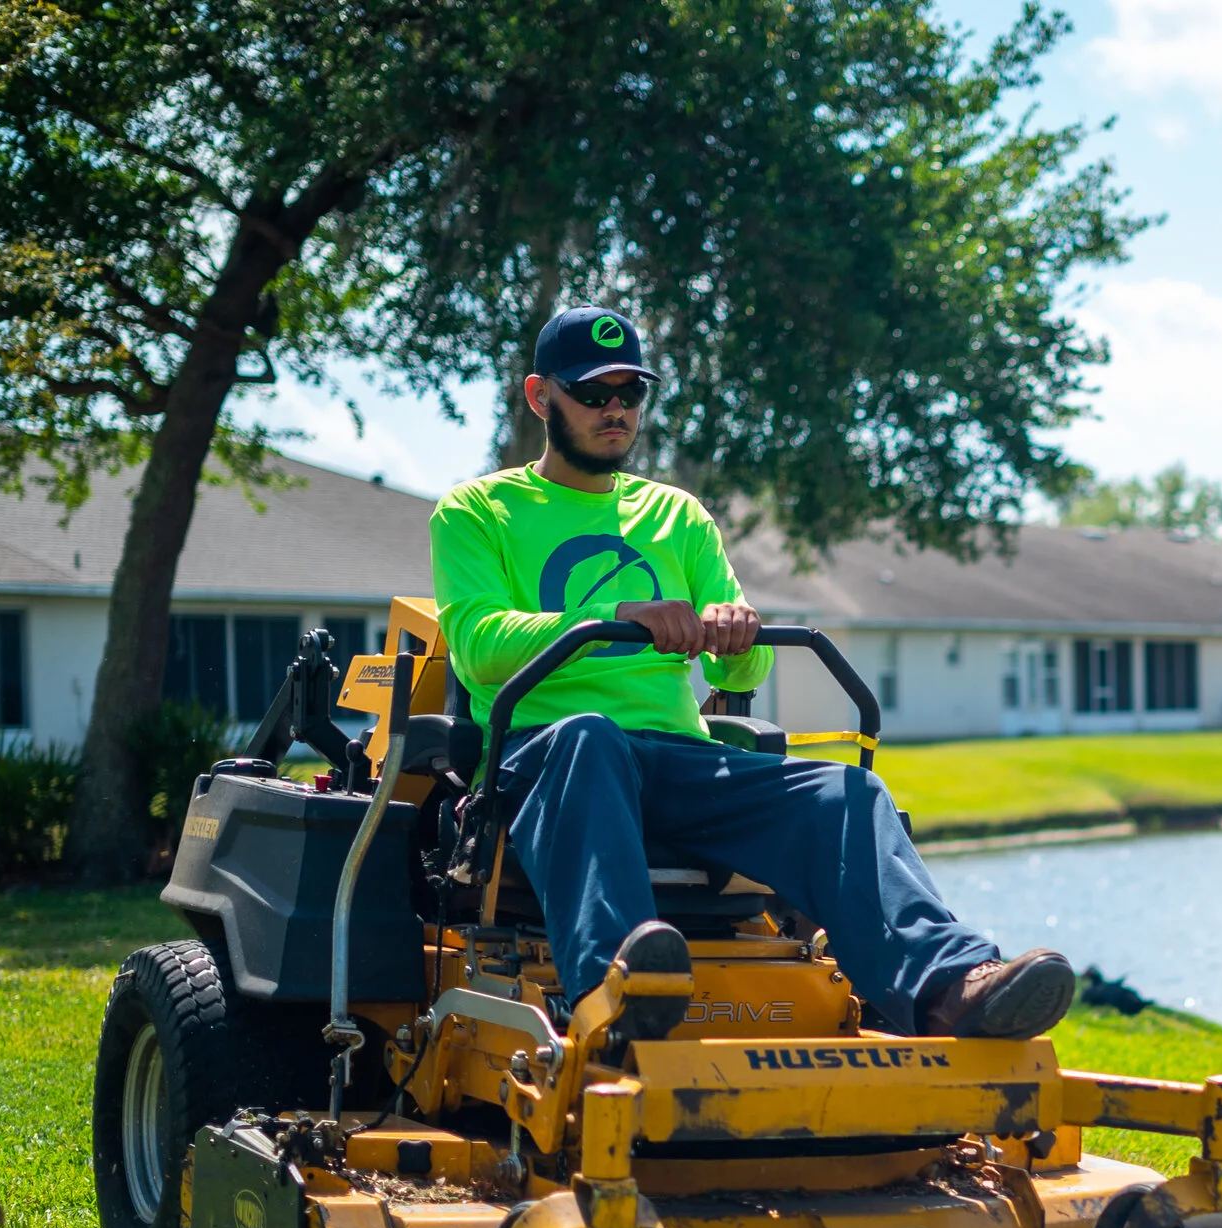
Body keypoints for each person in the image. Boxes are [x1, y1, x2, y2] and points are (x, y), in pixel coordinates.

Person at [427, 305, 1074, 1040]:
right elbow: (479, 644)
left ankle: (951, 987)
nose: (616, 410)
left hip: (677, 759)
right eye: (593, 392)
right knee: (590, 737)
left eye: (630, 393)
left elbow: (751, 661)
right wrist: (620, 613)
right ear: (541, 397)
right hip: (543, 759)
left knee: (846, 790)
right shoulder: (476, 511)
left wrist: (737, 636)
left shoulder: (678, 516)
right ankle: (618, 991)